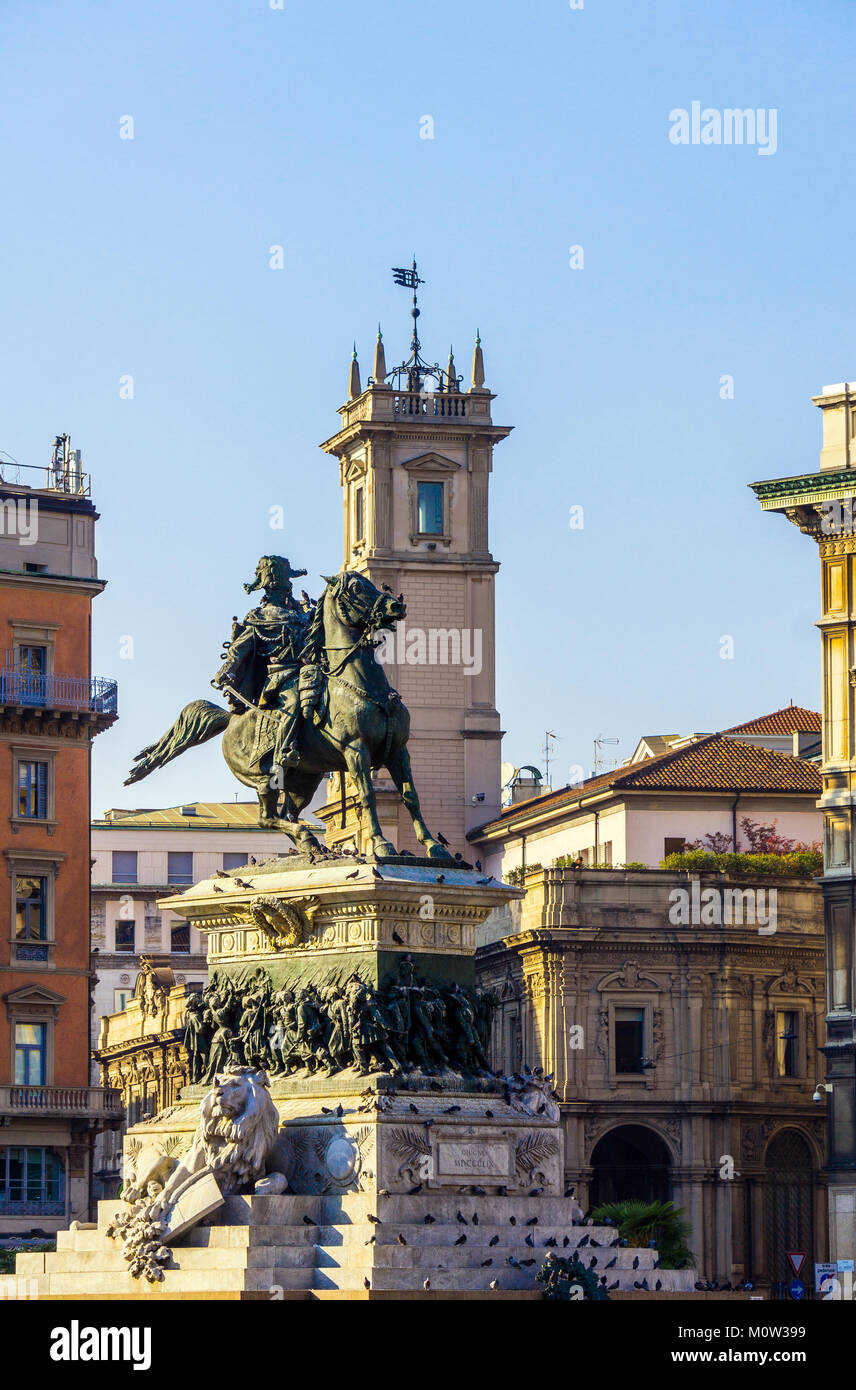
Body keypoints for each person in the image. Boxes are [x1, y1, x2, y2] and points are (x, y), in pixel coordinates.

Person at [213, 555, 314, 771]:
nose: (290, 586)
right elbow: (239, 649)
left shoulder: (300, 613)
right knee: (293, 701)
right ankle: (285, 749)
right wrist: (226, 670)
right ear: (275, 587)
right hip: (280, 676)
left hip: (310, 671)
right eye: (286, 582)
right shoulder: (258, 617)